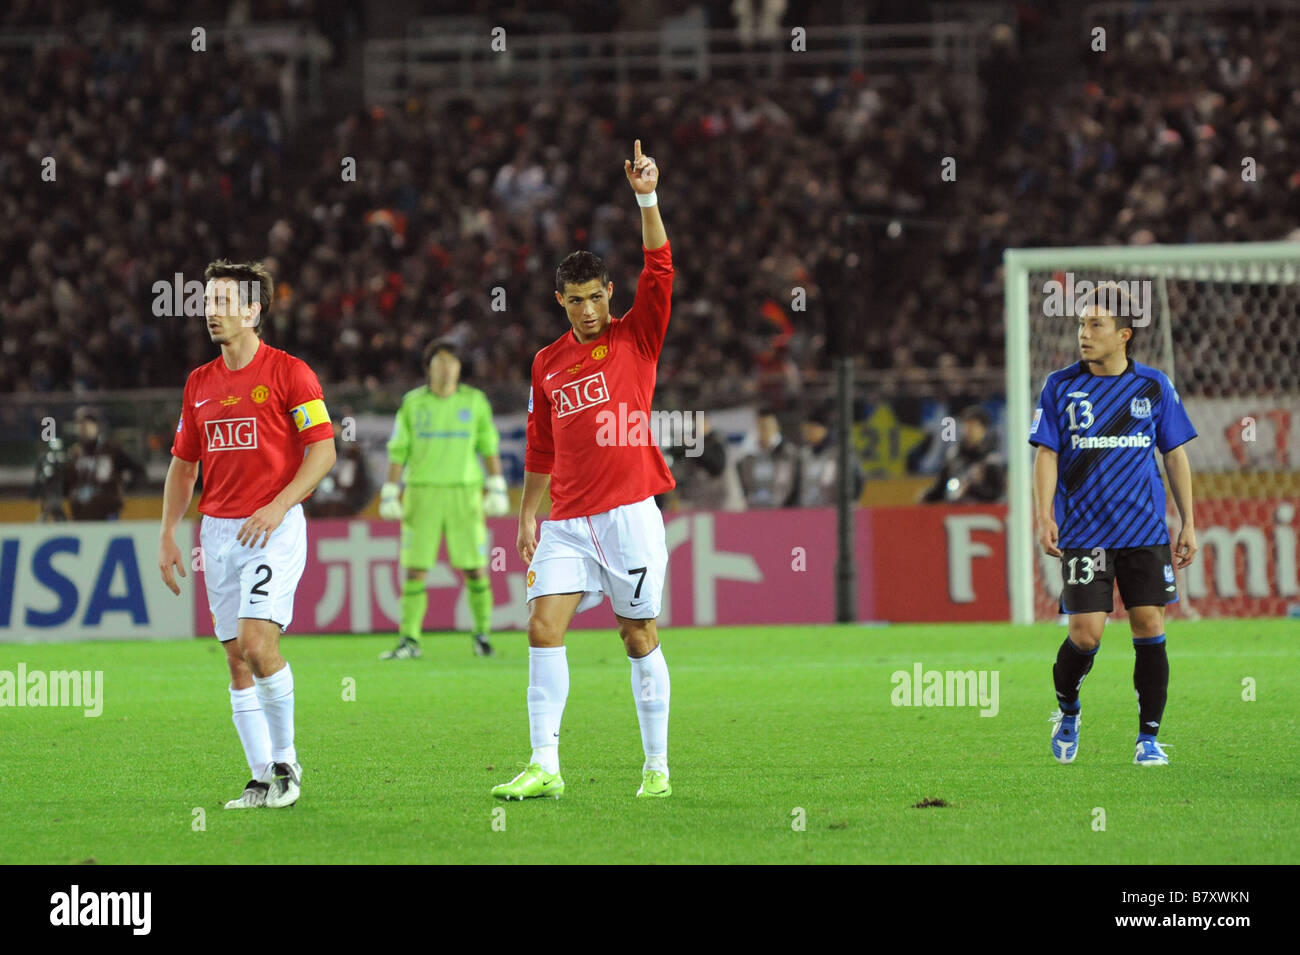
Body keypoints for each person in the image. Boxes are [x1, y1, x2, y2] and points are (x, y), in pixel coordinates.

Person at [493, 139, 675, 801]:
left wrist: (646, 196)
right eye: (575, 300)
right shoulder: (546, 363)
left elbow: (661, 263)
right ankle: (546, 762)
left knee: (636, 634)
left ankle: (655, 764)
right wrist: (527, 514)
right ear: (560, 300)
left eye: (596, 297)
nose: (588, 310)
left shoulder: (637, 335)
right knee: (542, 626)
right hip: (566, 518)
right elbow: (540, 447)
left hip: (628, 512)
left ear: (609, 294)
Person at [158, 259, 337, 810]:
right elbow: (184, 466)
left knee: (259, 644)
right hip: (218, 531)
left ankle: (287, 762)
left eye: (225, 302)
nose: (213, 312)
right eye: (208, 302)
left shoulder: (290, 373)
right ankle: (261, 776)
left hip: (273, 527)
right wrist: (168, 532)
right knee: (237, 656)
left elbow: (323, 451)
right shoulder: (199, 384)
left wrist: (280, 504)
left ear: (254, 310)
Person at [1031, 284, 1198, 768]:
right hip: (1085, 534)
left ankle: (1148, 738)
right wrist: (1045, 515)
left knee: (1149, 624)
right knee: (1086, 635)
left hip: (1145, 531)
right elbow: (1047, 453)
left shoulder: (1154, 386)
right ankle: (1068, 711)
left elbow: (1174, 454)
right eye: (1082, 325)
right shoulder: (1060, 385)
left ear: (1123, 334)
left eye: (1095, 325)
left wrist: (1189, 522)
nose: (1084, 334)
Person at [378, 339, 509, 659]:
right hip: (422, 492)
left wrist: (497, 485)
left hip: (464, 493)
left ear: (460, 368)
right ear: (429, 368)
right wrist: (391, 491)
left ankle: (482, 635)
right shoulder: (413, 404)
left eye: (452, 362)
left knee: (475, 567)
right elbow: (399, 450)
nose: (446, 367)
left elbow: (488, 446)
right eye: (440, 362)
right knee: (415, 569)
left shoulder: (475, 402)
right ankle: (409, 640)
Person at [63, 407, 144, 520]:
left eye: (88, 423)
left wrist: (127, 490)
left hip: (108, 515)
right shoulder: (74, 453)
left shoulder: (111, 449)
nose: (84, 427)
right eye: (80, 424)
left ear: (97, 426)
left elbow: (138, 470)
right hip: (80, 515)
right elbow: (66, 482)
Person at [920, 406, 1005, 503]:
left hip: (981, 513)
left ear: (984, 430)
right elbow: (941, 487)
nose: (969, 430)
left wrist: (971, 488)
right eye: (966, 425)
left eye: (974, 426)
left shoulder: (991, 460)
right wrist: (927, 497)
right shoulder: (954, 456)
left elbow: (997, 495)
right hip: (954, 511)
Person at [302, 411, 373, 518]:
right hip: (318, 515)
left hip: (346, 514)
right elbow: (303, 482)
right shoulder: (313, 454)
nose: (334, 432)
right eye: (330, 427)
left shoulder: (354, 454)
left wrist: (354, 507)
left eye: (337, 428)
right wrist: (309, 508)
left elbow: (366, 484)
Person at [795, 405, 865, 508]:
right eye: (804, 430)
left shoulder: (840, 452)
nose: (806, 434)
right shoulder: (804, 454)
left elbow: (858, 479)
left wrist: (846, 505)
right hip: (808, 511)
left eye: (810, 429)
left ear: (822, 428)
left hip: (832, 512)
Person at [737, 408, 799, 508]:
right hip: (755, 510)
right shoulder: (748, 456)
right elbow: (744, 485)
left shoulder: (788, 454)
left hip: (782, 510)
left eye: (768, 427)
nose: (765, 431)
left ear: (776, 427)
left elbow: (795, 485)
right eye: (761, 427)